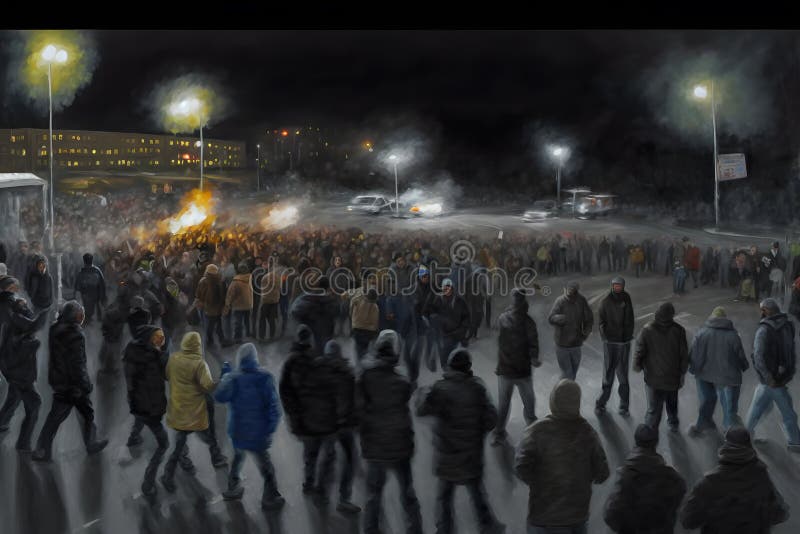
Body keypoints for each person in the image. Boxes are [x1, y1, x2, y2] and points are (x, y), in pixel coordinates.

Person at [416, 348, 504, 534]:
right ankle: (488, 526)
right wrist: (478, 428)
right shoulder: (477, 388)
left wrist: (422, 395)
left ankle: (445, 529)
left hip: (447, 455)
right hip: (471, 455)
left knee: (445, 497)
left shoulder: (440, 388)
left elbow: (422, 410)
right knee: (477, 492)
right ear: (468, 367)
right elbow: (491, 419)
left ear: (450, 366)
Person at [515, 379, 610, 534]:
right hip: (576, 516)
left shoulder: (536, 431)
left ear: (553, 400)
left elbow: (520, 466)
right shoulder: (588, 433)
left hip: (543, 515)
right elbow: (602, 474)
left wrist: (539, 481)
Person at [358, 329, 423, 534]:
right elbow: (408, 393)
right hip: (400, 445)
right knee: (408, 493)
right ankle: (415, 529)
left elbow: (357, 406)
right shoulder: (402, 381)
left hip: (375, 445)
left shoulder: (365, 376)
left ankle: (371, 529)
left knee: (373, 494)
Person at [33, 301, 109, 462]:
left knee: (57, 417)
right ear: (75, 316)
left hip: (59, 380)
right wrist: (85, 385)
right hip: (74, 385)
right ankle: (90, 444)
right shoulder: (75, 334)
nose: (83, 317)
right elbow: (77, 363)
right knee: (85, 413)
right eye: (81, 314)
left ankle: (42, 450)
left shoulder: (55, 329)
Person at [214, 343, 285, 510]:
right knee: (266, 467)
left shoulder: (233, 378)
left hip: (238, 431)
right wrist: (270, 428)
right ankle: (270, 497)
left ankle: (233, 488)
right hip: (259, 433)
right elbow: (274, 408)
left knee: (238, 458)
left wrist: (225, 376)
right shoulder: (265, 377)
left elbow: (219, 397)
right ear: (254, 358)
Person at [681, 426, 789, 533]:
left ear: (726, 447)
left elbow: (688, 521)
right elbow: (780, 514)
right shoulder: (761, 476)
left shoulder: (709, 483)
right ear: (749, 447)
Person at [160, 331, 228, 493]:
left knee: (180, 441)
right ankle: (216, 457)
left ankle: (170, 472)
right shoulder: (199, 364)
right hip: (197, 411)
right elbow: (208, 387)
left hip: (179, 408)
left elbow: (167, 376)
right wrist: (222, 379)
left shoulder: (174, 359)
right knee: (210, 434)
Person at [603, 424, 686, 534]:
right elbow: (681, 491)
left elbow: (610, 514)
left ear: (636, 442)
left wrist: (625, 528)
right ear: (655, 443)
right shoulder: (671, 475)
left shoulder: (625, 475)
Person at [309, 340, 361, 514]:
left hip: (328, 423)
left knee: (328, 456)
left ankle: (320, 491)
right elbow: (355, 400)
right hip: (345, 423)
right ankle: (344, 498)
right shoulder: (348, 372)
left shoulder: (317, 371)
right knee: (350, 460)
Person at [745, 298, 800, 453]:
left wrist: (768, 378)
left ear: (767, 311)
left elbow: (758, 356)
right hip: (780, 377)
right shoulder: (788, 326)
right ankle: (795, 441)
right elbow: (791, 350)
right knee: (776, 410)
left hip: (771, 380)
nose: (761, 312)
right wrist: (790, 370)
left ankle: (745, 437)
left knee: (762, 408)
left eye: (762, 309)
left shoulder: (763, 329)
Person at [279, 325, 328, 493]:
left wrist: (291, 412)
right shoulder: (318, 360)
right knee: (325, 451)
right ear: (311, 341)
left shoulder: (290, 362)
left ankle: (309, 482)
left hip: (301, 417)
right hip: (318, 415)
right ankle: (319, 485)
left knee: (309, 453)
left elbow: (284, 390)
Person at [0, 279, 48, 451]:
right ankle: (23, 443)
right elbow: (33, 325)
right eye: (15, 287)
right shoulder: (13, 314)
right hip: (19, 369)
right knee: (34, 403)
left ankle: (2, 422)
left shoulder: (8, 310)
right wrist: (44, 313)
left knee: (14, 396)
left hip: (11, 366)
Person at [122, 325, 169, 497]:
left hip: (138, 403)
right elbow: (167, 375)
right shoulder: (157, 357)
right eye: (158, 337)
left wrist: (130, 395)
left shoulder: (132, 350)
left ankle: (133, 436)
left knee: (140, 417)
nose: (161, 340)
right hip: (152, 406)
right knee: (163, 443)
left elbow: (129, 378)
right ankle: (148, 481)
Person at [688, 306, 749, 435]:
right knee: (729, 405)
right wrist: (744, 366)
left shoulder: (701, 333)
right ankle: (730, 431)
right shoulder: (733, 335)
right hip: (727, 375)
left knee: (707, 399)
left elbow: (694, 353)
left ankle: (703, 424)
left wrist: (694, 369)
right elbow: (740, 355)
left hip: (704, 374)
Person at [492, 288, 540, 446]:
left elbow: (500, 342)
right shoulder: (528, 321)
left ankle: (499, 433)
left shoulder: (503, 318)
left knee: (504, 403)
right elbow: (533, 343)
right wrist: (533, 358)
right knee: (529, 402)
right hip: (522, 370)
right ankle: (533, 430)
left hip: (506, 369)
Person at [633, 302, 689, 432]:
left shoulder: (647, 330)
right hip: (672, 377)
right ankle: (673, 423)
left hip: (653, 377)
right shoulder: (679, 330)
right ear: (671, 315)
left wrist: (637, 365)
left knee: (653, 408)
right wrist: (682, 374)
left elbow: (639, 350)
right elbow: (684, 355)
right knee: (672, 403)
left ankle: (649, 432)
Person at [595, 276, 634, 416]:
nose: (617, 288)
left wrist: (628, 335)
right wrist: (605, 337)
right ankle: (601, 403)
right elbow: (601, 322)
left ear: (623, 286)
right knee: (608, 374)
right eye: (615, 285)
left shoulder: (627, 298)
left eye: (619, 285)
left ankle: (624, 406)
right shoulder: (605, 301)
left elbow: (630, 318)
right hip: (610, 343)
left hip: (623, 343)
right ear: (612, 286)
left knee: (623, 376)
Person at [548, 280, 593, 381]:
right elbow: (550, 318)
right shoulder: (560, 301)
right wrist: (560, 318)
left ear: (577, 291)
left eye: (573, 292)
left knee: (572, 374)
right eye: (569, 291)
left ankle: (563, 393)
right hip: (562, 345)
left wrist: (585, 333)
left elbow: (589, 319)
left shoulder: (581, 301)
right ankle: (561, 394)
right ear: (566, 290)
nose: (571, 294)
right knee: (567, 374)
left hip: (576, 344)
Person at [423, 278, 471, 369]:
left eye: (449, 288)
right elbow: (430, 313)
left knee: (457, 360)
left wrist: (463, 332)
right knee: (445, 362)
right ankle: (447, 374)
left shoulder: (460, 301)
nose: (447, 290)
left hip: (457, 336)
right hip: (443, 336)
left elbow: (466, 318)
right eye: (445, 288)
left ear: (452, 288)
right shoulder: (438, 300)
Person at [291, 275, 341, 354]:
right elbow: (338, 312)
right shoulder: (331, 301)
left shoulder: (306, 297)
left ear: (315, 285)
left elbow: (294, 311)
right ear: (328, 288)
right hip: (325, 340)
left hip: (309, 341)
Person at [195, 264, 230, 349]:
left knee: (208, 326)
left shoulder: (203, 281)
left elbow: (198, 294)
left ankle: (210, 341)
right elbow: (224, 295)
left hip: (206, 308)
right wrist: (224, 306)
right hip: (217, 308)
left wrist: (200, 302)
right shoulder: (220, 281)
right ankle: (222, 341)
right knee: (218, 325)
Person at [223, 262, 253, 344]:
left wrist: (227, 304)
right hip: (248, 304)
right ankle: (248, 334)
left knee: (238, 322)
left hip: (238, 306)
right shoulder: (250, 278)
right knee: (247, 320)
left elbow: (230, 294)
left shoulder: (235, 281)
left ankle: (238, 338)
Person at [74, 253, 107, 324]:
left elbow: (77, 289)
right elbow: (102, 286)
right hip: (94, 302)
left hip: (88, 302)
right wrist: (103, 298)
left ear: (84, 261)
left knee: (89, 321)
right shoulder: (97, 271)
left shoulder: (81, 274)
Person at [350, 287, 379, 363]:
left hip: (357, 328)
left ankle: (358, 364)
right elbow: (375, 322)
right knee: (365, 350)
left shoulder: (358, 301)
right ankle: (362, 365)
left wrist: (353, 320)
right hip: (368, 331)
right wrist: (374, 332)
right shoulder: (375, 307)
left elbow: (351, 307)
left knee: (358, 349)